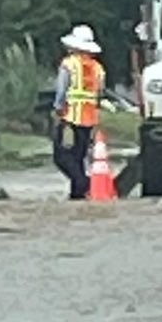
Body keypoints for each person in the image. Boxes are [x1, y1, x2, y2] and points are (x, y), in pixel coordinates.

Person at [52, 24, 106, 201]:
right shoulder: (98, 68)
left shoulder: (68, 64)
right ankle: (77, 194)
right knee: (79, 155)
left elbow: (62, 89)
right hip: (90, 118)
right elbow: (99, 93)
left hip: (70, 116)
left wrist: (58, 108)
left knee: (62, 156)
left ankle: (82, 184)